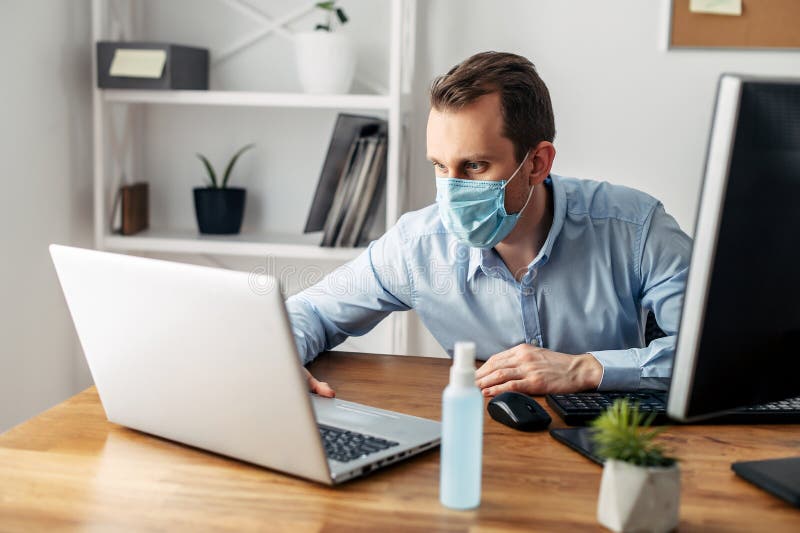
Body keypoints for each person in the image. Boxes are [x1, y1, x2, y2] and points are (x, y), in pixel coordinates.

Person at [287, 51, 691, 399]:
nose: (452, 189)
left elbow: (722, 355)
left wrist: (584, 369)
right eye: (441, 166)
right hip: (485, 438)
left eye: (475, 165)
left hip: (612, 444)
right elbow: (311, 312)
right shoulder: (418, 245)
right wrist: (281, 359)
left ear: (537, 163)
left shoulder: (635, 227)